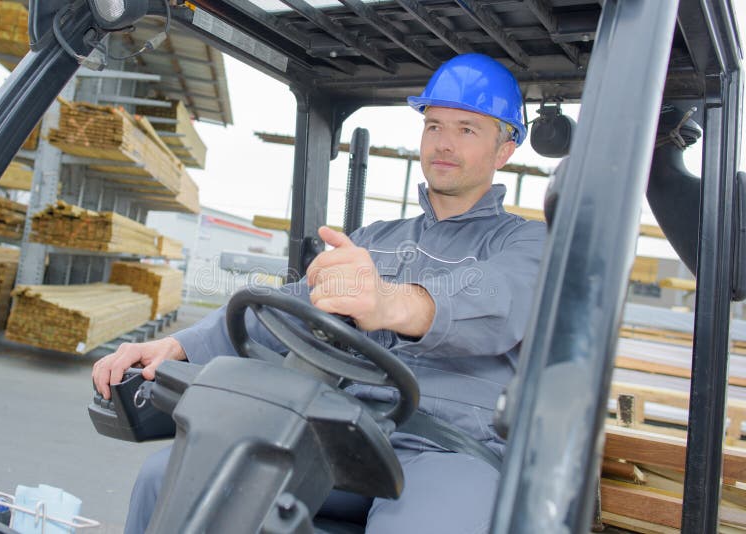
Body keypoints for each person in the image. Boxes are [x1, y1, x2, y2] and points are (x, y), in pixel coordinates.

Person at [92, 53, 547, 534]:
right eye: (434, 126)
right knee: (169, 479)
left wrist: (390, 303)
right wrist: (180, 345)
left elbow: (498, 300)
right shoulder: (375, 239)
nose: (444, 143)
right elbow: (294, 306)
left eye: (467, 129)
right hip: (349, 432)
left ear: (504, 150)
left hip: (450, 450)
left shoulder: (525, 242)